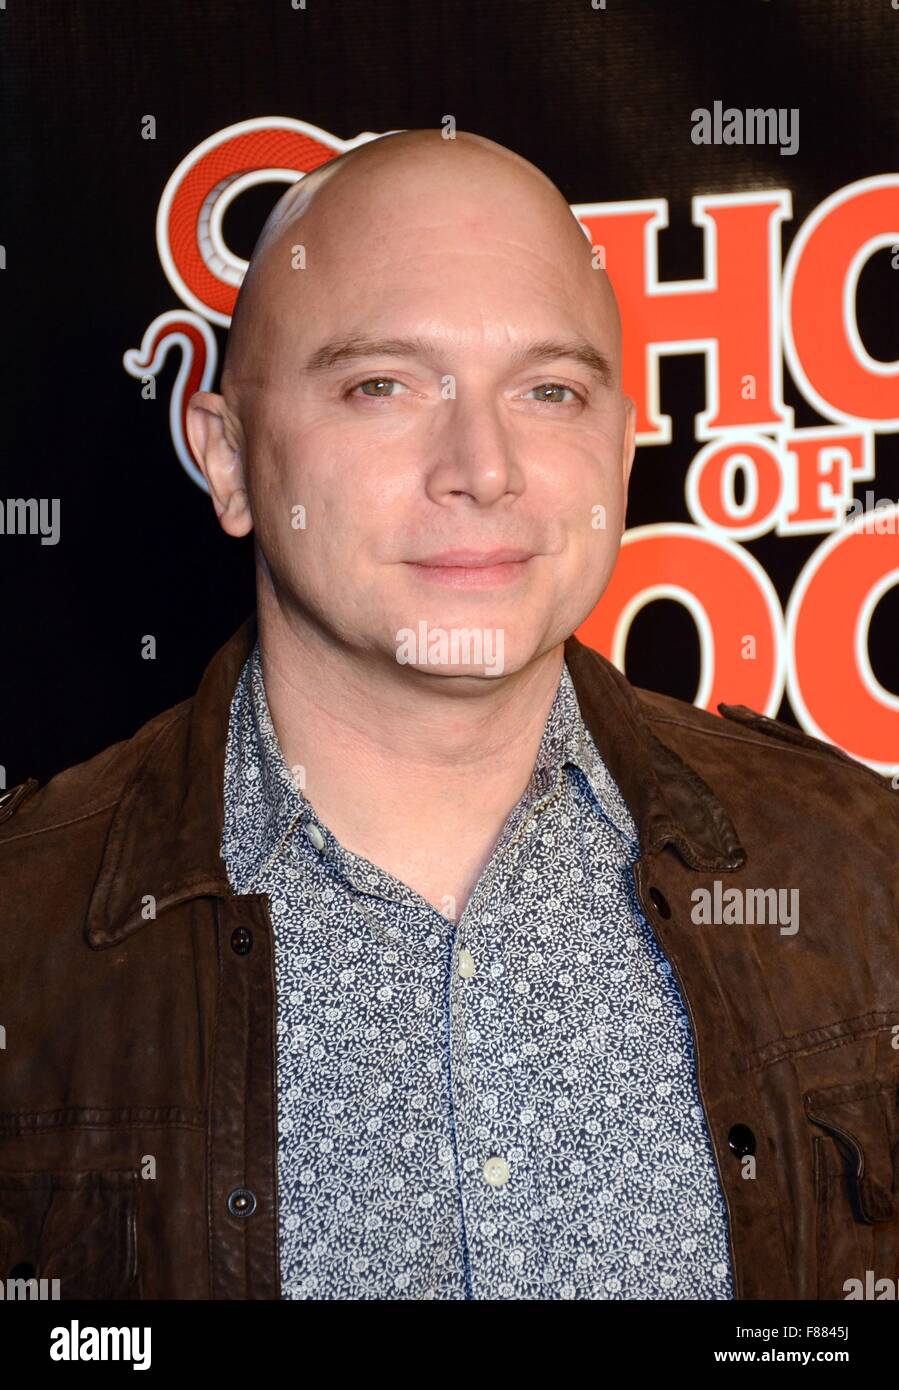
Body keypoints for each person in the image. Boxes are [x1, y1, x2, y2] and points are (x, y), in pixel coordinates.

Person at [2, 129, 897, 1302]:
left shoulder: (859, 874)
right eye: (382, 384)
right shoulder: (24, 940)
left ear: (620, 450)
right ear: (227, 460)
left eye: (548, 390)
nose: (482, 466)